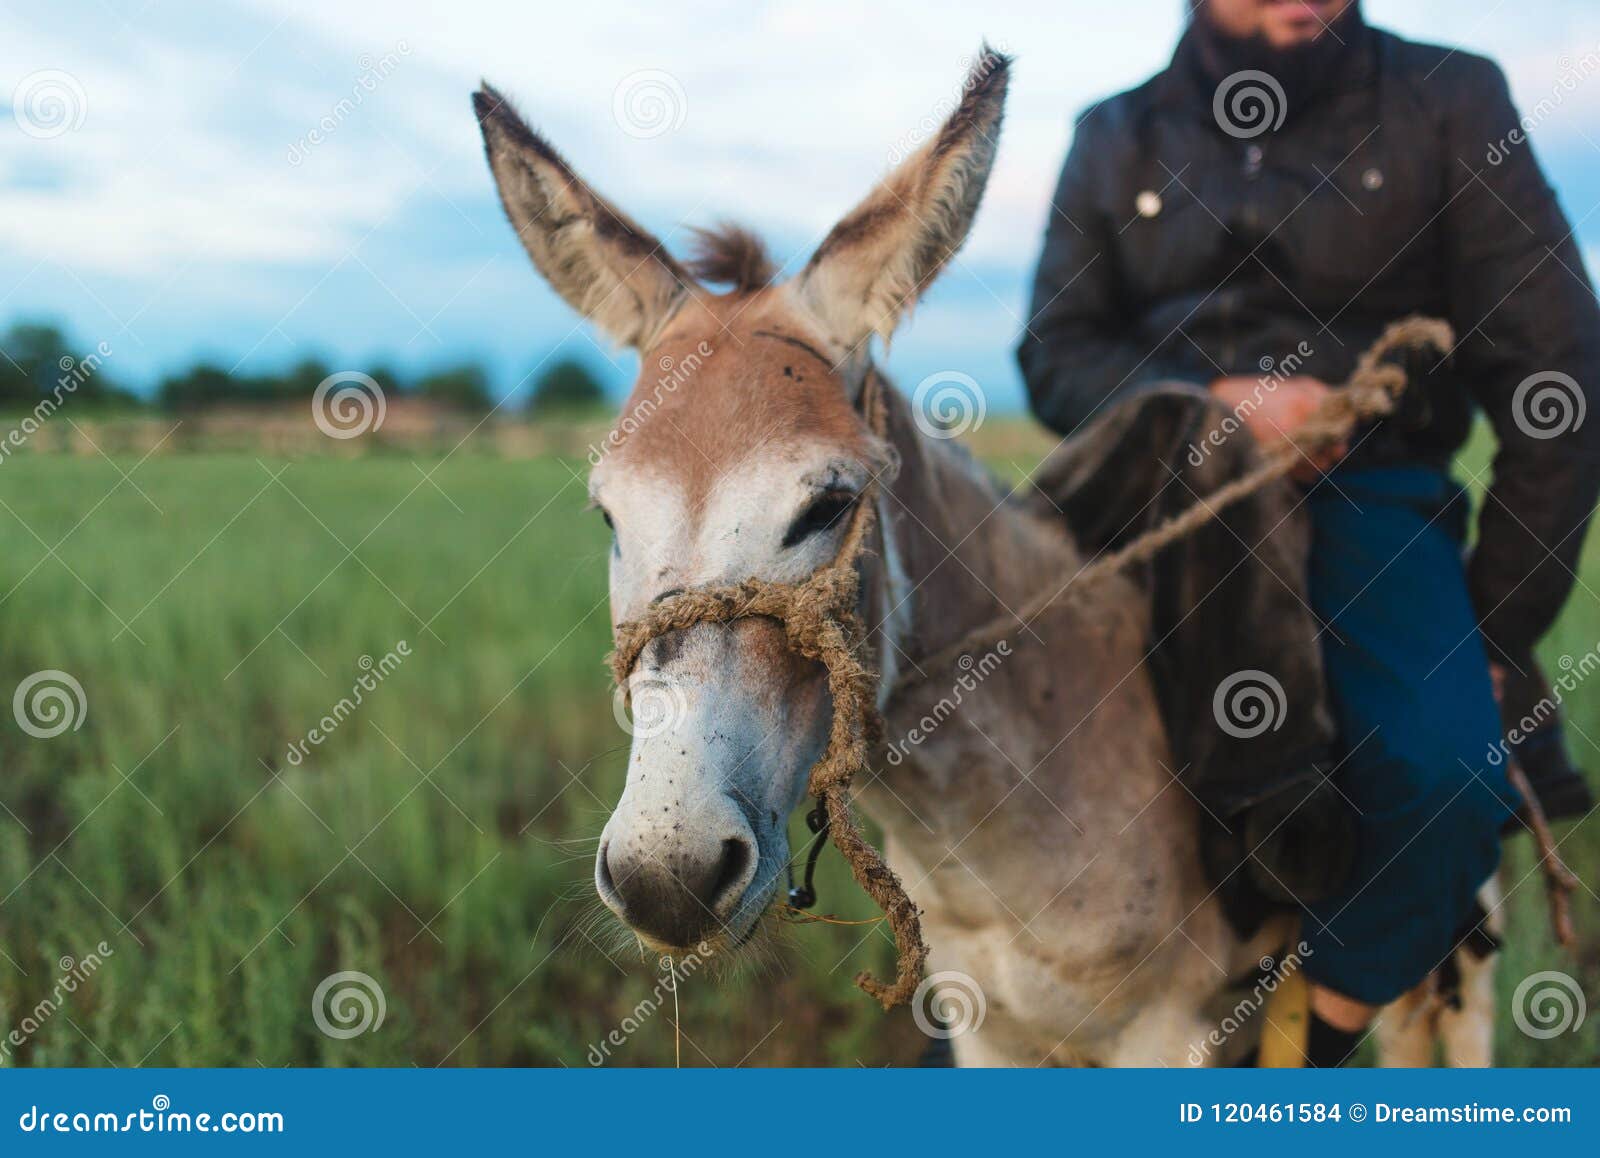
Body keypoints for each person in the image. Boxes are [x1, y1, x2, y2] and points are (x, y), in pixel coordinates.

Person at [1018, 0, 1600, 1065]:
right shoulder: (1114, 134)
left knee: (1438, 779)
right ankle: (984, 1043)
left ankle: (1291, 1054)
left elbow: (1556, 372)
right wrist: (1212, 406)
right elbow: (1053, 353)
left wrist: (1496, 632)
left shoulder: (1449, 101)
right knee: (984, 741)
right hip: (1146, 500)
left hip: (1364, 500)